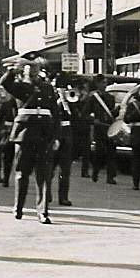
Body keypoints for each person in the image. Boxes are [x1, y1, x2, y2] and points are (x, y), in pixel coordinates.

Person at [2, 56, 60, 223]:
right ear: (24, 74)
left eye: (35, 74)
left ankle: (43, 212)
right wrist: (13, 69)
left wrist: (55, 136)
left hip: (44, 135)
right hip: (24, 135)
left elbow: (55, 114)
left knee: (43, 175)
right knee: (22, 174)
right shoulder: (19, 87)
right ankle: (18, 208)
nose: (33, 77)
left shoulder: (47, 89)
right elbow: (5, 82)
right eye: (29, 74)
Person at [52, 74, 84, 206]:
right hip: (54, 135)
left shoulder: (71, 101)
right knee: (50, 169)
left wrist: (70, 105)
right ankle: (46, 194)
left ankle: (63, 197)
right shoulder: (51, 98)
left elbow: (76, 118)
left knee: (65, 170)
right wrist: (59, 103)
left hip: (67, 136)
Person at [86, 74, 119, 185]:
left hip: (109, 127)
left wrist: (118, 110)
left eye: (106, 83)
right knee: (100, 152)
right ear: (98, 84)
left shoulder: (111, 97)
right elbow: (85, 113)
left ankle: (110, 177)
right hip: (99, 128)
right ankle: (96, 171)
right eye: (103, 83)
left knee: (111, 152)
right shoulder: (93, 98)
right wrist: (93, 119)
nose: (105, 85)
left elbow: (112, 113)